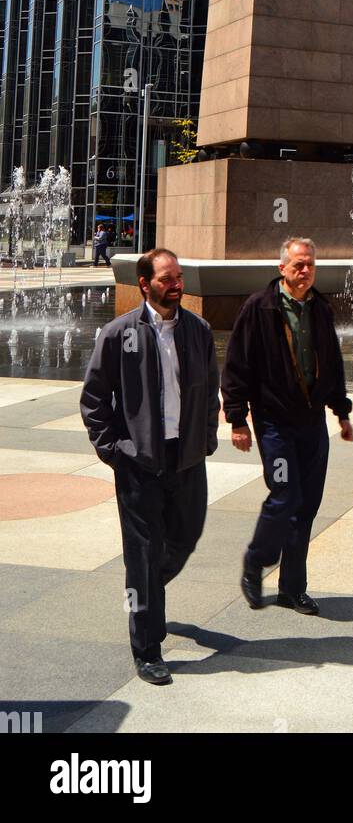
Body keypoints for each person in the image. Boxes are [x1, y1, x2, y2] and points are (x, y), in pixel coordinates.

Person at [80, 249, 219, 686]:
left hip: (187, 458)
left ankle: (148, 594)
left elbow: (210, 389)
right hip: (139, 462)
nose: (176, 284)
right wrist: (114, 451)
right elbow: (94, 399)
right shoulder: (118, 333)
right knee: (141, 555)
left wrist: (207, 437)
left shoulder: (197, 331)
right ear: (145, 284)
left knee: (185, 536)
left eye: (178, 277)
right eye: (167, 278)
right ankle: (147, 647)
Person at [222, 237, 353, 615]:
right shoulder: (259, 308)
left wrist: (341, 412)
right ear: (282, 268)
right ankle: (256, 560)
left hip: (311, 423)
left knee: (307, 505)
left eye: (310, 264)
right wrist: (237, 419)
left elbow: (331, 363)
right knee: (285, 495)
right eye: (298, 265)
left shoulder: (319, 307)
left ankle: (292, 588)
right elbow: (236, 365)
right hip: (274, 422)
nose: (305, 271)